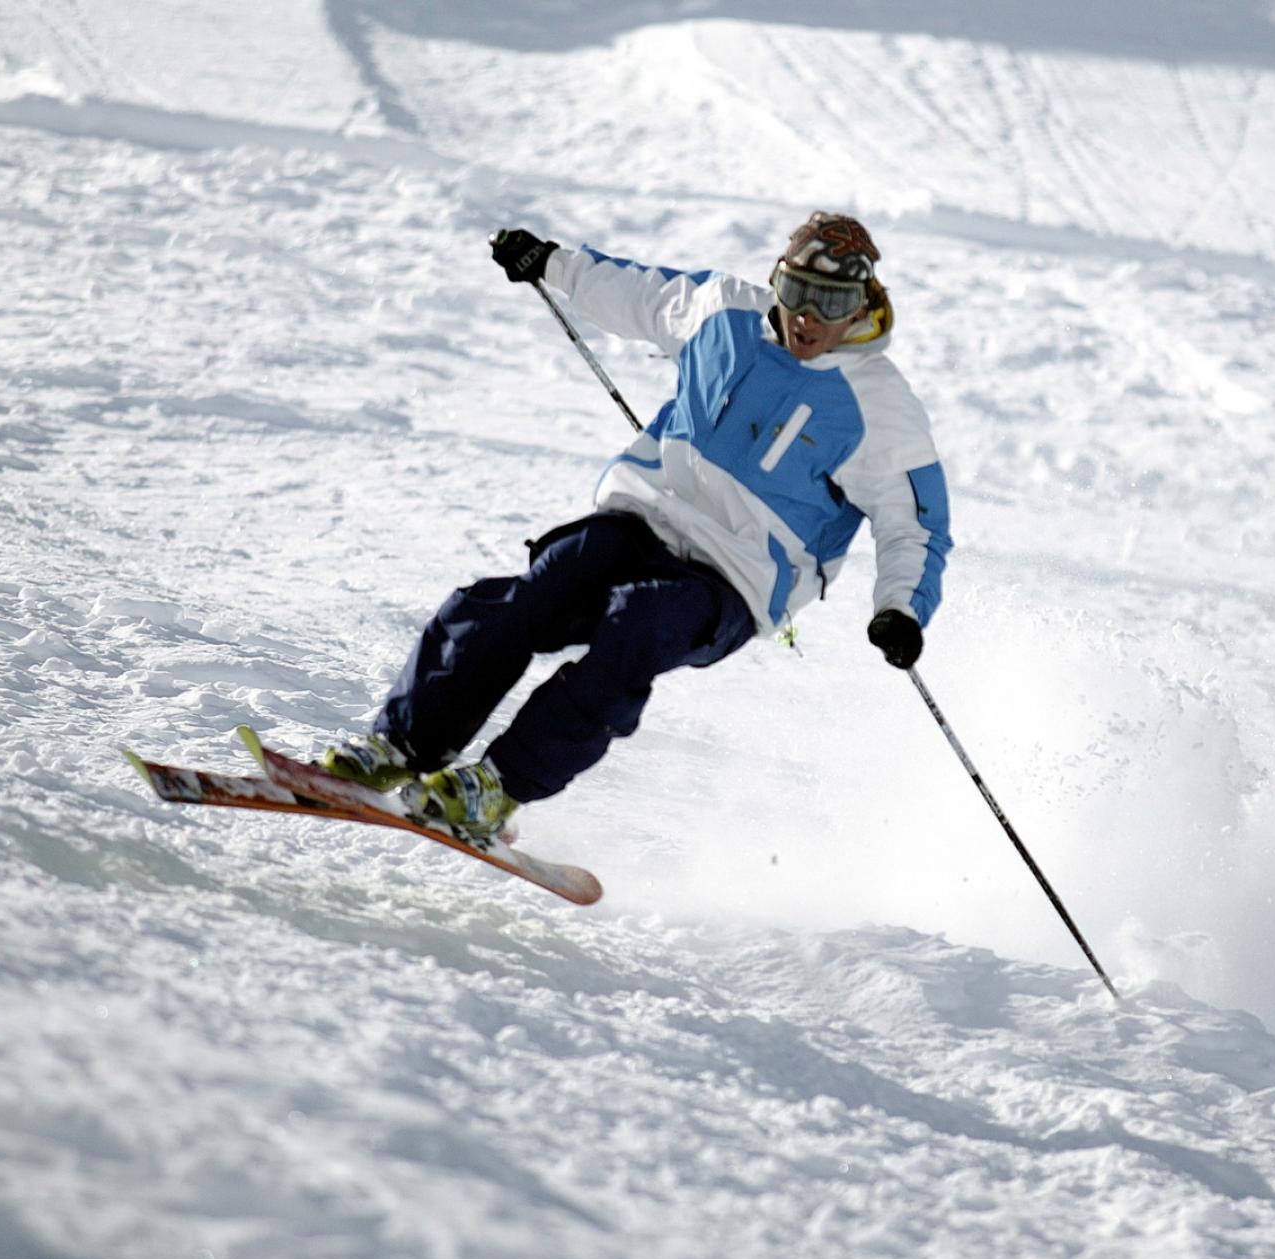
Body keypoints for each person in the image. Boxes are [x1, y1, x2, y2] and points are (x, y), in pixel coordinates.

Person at [319, 211, 953, 837]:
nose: (808, 317)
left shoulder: (881, 407)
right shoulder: (723, 314)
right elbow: (640, 294)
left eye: (832, 300)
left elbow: (914, 527)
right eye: (796, 293)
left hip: (733, 579)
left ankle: (497, 788)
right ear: (776, 281)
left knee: (635, 629)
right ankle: (402, 746)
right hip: (643, 518)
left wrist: (900, 609)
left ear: (864, 303)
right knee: (533, 593)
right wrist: (551, 264)